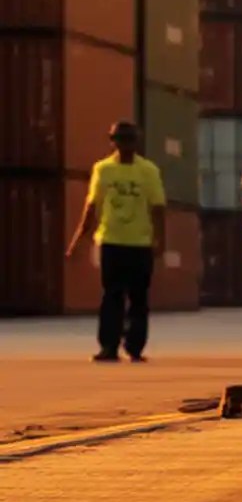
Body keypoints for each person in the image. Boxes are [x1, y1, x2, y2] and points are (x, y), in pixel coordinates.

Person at [66, 121, 166, 363]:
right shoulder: (103, 169)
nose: (125, 145)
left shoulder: (149, 171)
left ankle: (135, 347)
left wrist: (160, 239)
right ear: (113, 142)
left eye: (129, 140)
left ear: (136, 142)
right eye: (120, 140)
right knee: (112, 295)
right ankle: (109, 346)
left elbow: (158, 208)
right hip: (111, 241)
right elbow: (91, 207)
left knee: (139, 297)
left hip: (140, 243)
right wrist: (77, 241)